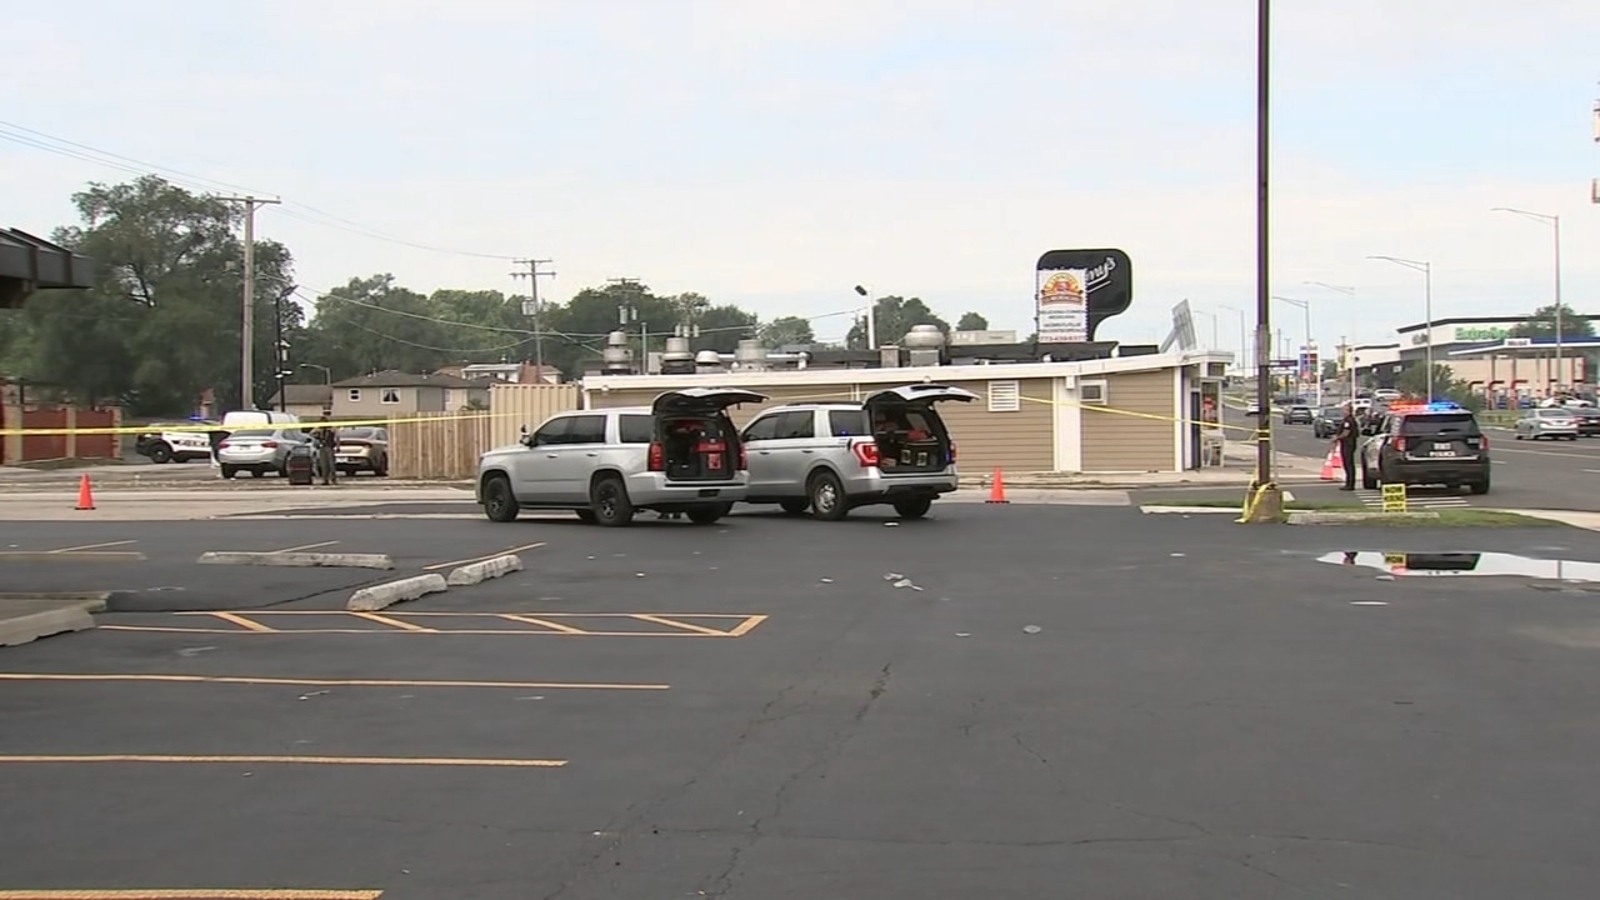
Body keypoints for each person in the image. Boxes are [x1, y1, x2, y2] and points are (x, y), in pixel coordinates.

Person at [1333, 404, 1360, 491]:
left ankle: (1350, 484)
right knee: (1347, 464)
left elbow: (1346, 432)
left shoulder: (1349, 421)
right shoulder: (1347, 420)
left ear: (1349, 411)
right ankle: (1348, 483)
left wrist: (1337, 437)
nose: (1343, 412)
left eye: (1344, 410)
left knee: (1348, 464)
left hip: (1348, 444)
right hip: (1347, 444)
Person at [312, 416, 338, 486]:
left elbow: (337, 437)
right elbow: (312, 433)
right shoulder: (319, 429)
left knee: (331, 464)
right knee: (324, 465)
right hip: (322, 448)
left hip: (329, 447)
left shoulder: (331, 429)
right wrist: (317, 431)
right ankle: (325, 479)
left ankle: (333, 479)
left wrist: (338, 446)